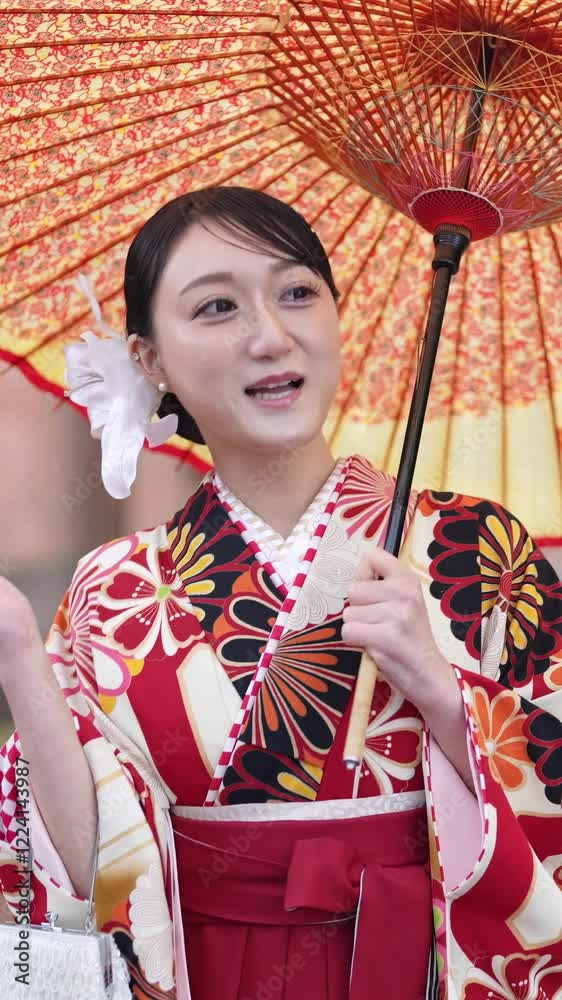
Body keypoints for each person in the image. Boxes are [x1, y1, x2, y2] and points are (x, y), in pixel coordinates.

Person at [0, 186, 560, 1000]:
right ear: (149, 359)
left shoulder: (476, 550)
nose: (271, 336)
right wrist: (18, 652)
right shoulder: (110, 588)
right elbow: (84, 871)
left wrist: (443, 691)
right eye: (217, 307)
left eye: (298, 293)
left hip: (420, 971)